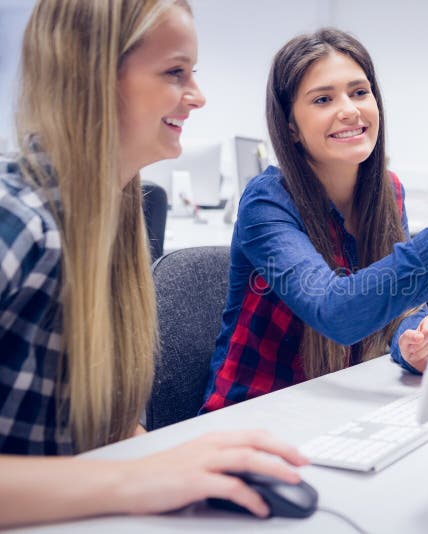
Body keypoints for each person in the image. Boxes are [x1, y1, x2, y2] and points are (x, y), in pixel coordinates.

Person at [0, 1, 306, 527]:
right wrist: (137, 479)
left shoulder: (113, 221)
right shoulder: (19, 218)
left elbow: (98, 428)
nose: (198, 95)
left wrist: (181, 465)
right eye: (174, 72)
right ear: (92, 74)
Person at [201, 28, 428, 413]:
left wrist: (413, 343)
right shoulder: (267, 201)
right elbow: (336, 312)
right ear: (291, 127)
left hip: (334, 407)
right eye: (323, 99)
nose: (350, 110)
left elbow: (401, 308)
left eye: (359, 92)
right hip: (251, 415)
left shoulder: (389, 191)